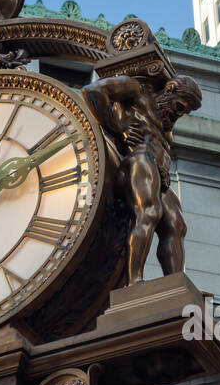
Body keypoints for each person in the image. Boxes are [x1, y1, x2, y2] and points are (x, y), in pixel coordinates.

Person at [82, 74, 202, 284]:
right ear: (170, 90)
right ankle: (134, 280)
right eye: (180, 106)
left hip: (159, 173)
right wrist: (118, 128)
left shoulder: (167, 126)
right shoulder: (137, 91)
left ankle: (174, 285)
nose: (178, 114)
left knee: (177, 224)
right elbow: (92, 91)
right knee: (149, 211)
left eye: (184, 112)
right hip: (137, 160)